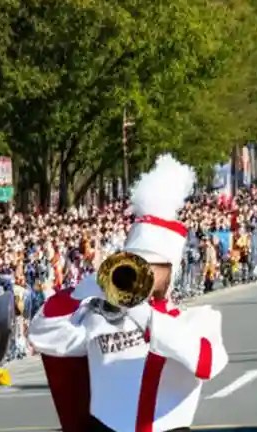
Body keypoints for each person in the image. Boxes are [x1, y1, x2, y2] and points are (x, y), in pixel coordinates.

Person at [28, 155, 229, 432]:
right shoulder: (100, 317)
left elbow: (207, 362)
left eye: (150, 266)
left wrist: (141, 311)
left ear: (171, 271)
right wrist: (91, 287)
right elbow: (41, 333)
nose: (140, 272)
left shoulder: (196, 320)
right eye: (134, 263)